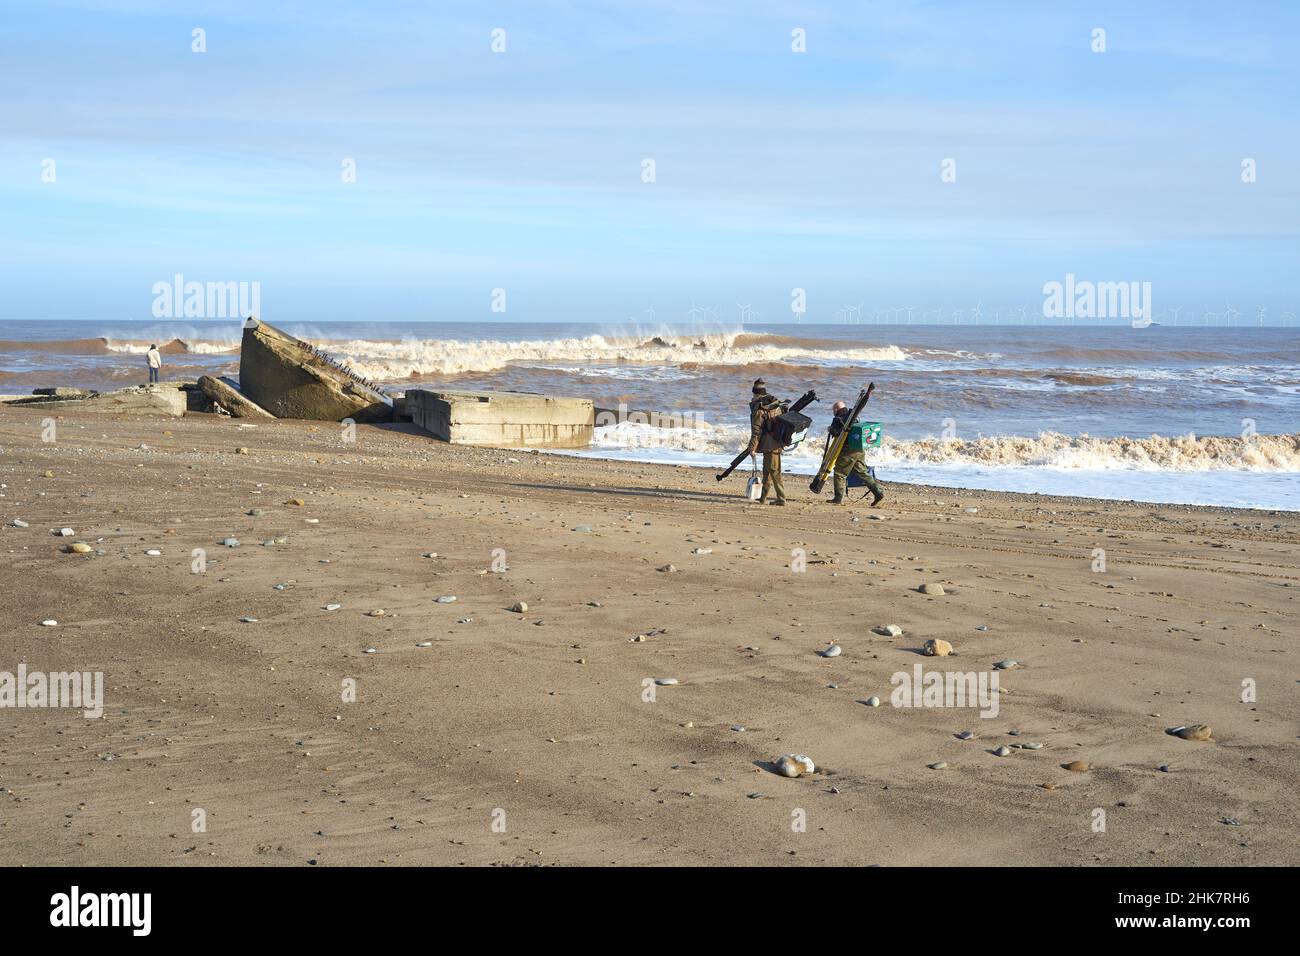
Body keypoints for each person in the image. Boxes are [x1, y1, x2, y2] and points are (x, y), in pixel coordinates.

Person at [827, 399, 884, 507]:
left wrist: (830, 429)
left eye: (833, 410)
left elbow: (836, 432)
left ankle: (838, 498)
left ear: (836, 409)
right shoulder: (854, 415)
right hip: (859, 449)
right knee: (862, 472)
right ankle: (878, 492)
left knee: (839, 472)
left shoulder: (838, 419)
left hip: (848, 451)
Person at [746, 378, 786, 505]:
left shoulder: (759, 409)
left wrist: (752, 448)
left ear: (755, 394)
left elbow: (756, 431)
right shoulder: (775, 403)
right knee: (767, 471)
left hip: (769, 444)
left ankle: (781, 498)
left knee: (774, 472)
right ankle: (763, 497)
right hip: (777, 441)